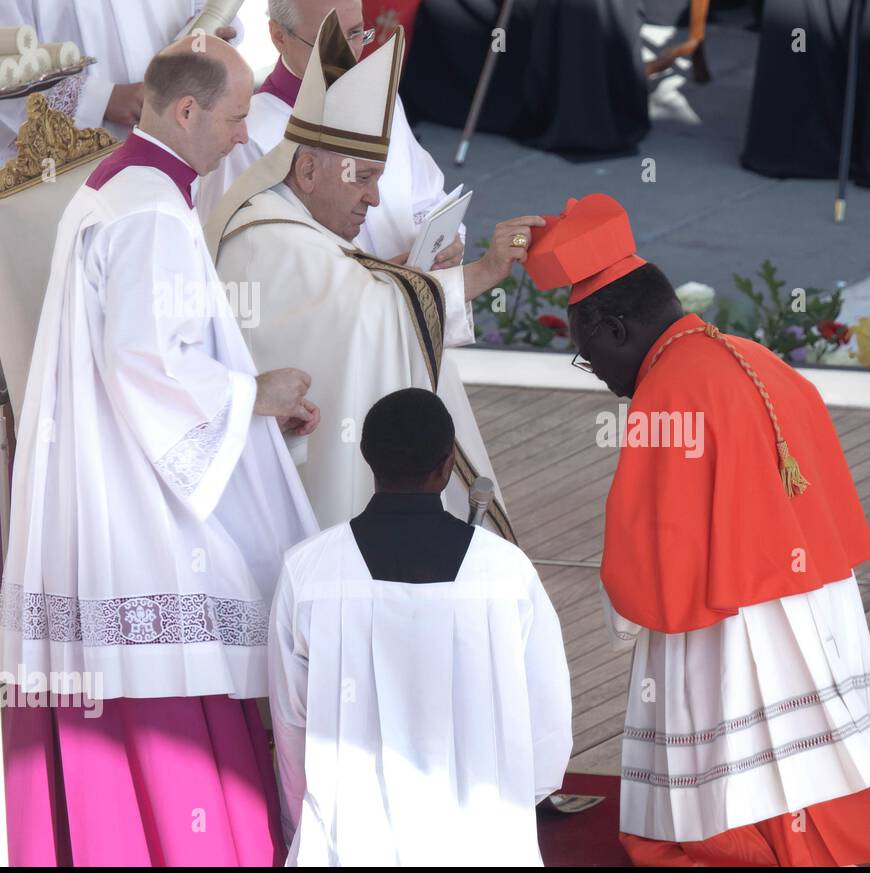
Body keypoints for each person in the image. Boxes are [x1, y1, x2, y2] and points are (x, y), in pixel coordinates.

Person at [0, 36, 319, 866]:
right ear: (185, 111)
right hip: (136, 497)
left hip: (105, 468)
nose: (245, 135)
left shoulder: (126, 189)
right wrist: (257, 395)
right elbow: (145, 364)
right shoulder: (146, 209)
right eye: (236, 115)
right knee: (170, 674)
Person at [525, 193, 870, 866]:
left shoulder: (668, 390)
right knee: (821, 752)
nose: (602, 377)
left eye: (588, 356)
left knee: (740, 775)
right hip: (814, 601)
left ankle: (747, 844)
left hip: (728, 622)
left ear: (614, 330)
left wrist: (631, 608)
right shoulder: (757, 357)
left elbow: (652, 542)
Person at [208, 11, 532, 536]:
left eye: (360, 32)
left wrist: (438, 251)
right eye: (362, 178)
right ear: (306, 170)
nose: (375, 198)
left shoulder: (354, 134)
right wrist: (483, 272)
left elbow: (376, 271)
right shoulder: (266, 229)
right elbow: (366, 304)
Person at [268, 388, 572, 866]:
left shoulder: (308, 571)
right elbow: (549, 725)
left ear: (368, 458)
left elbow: (292, 725)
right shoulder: (507, 571)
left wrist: (305, 823)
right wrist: (506, 808)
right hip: (483, 838)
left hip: (349, 841)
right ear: (448, 464)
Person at [195, 0, 459, 266]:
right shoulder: (247, 137)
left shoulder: (383, 101)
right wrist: (371, 282)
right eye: (327, 38)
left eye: (356, 33)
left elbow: (427, 199)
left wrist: (444, 242)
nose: (347, 54)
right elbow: (232, 252)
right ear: (278, 36)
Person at [0, 0, 241, 160]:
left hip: (183, 135)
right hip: (78, 164)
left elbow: (212, 11)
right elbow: (8, 61)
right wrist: (102, 99)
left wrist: (210, 36)